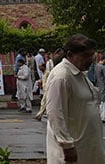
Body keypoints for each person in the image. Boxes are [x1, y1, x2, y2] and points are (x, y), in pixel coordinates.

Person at [45, 34, 104, 163]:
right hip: (73, 150)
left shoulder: (79, 73)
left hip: (87, 146)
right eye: (85, 56)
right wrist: (67, 146)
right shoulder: (62, 77)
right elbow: (55, 113)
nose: (90, 60)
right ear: (70, 55)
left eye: (91, 55)